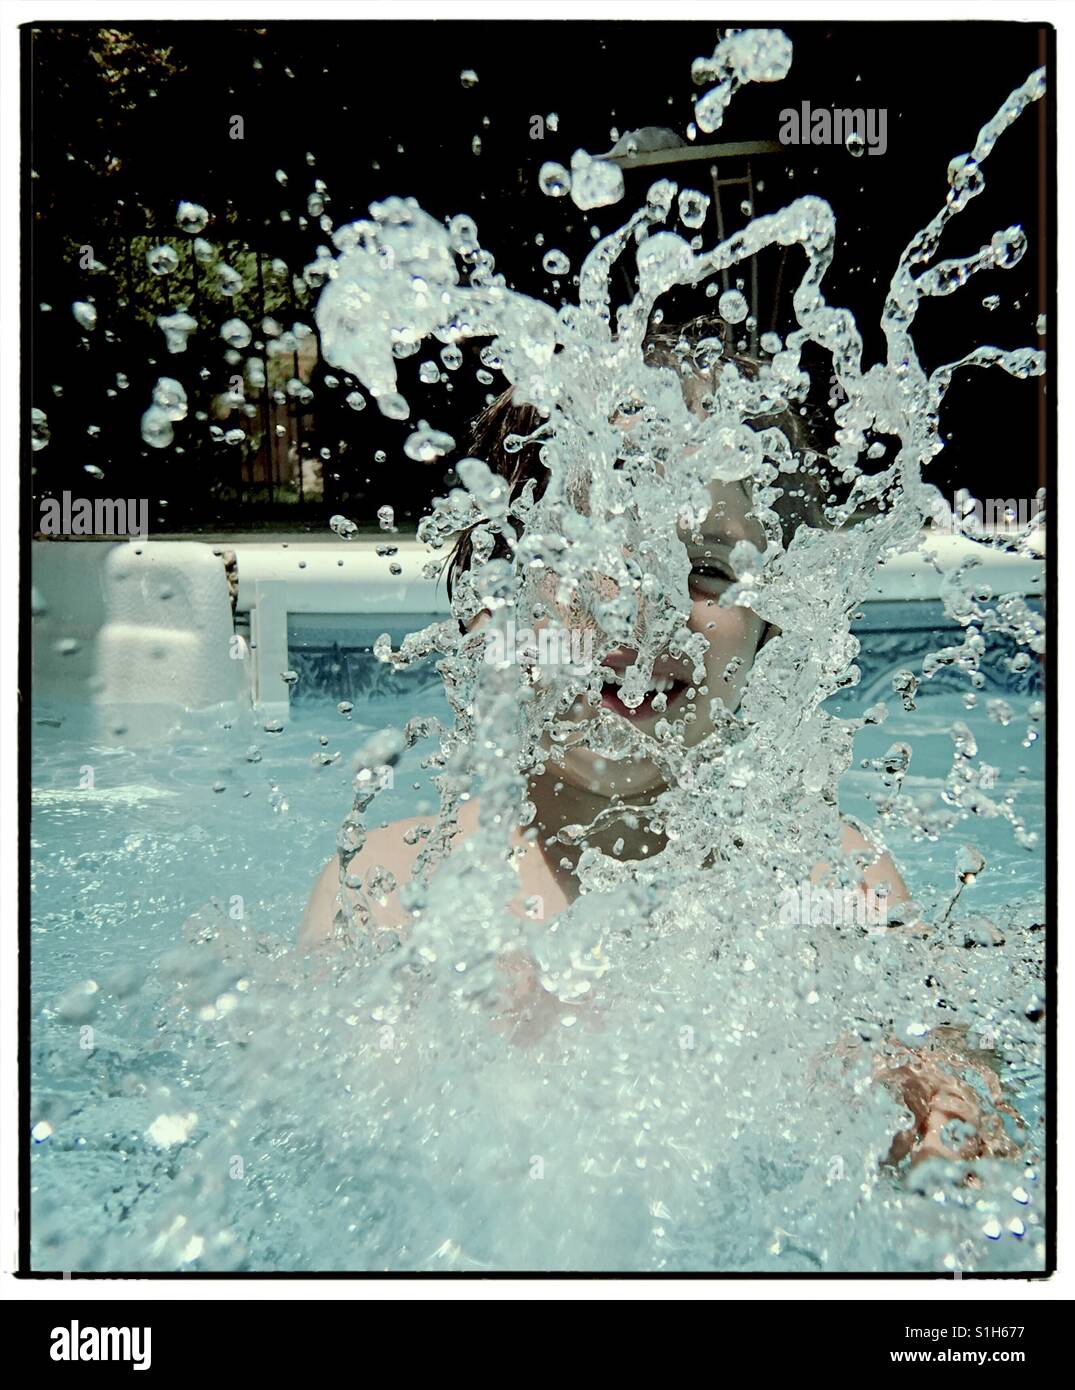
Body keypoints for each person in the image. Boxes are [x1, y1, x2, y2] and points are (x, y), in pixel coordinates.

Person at [300, 326, 1018, 1168]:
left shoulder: (827, 880)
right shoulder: (389, 888)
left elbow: (940, 1070)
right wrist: (451, 1053)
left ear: (772, 622)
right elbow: (327, 1137)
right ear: (493, 601)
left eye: (706, 569)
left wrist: (943, 1101)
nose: (643, 611)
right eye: (588, 555)